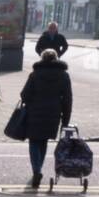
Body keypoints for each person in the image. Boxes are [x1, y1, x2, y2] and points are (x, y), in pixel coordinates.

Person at [19, 47, 73, 189]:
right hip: (53, 114)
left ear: (42, 58)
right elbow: (68, 99)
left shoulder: (35, 74)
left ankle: (37, 170)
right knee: (43, 141)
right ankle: (38, 169)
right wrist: (65, 121)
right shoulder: (63, 75)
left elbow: (24, 94)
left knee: (34, 142)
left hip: (35, 112)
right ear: (56, 58)